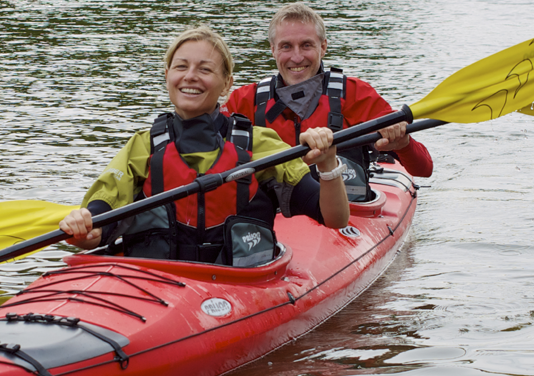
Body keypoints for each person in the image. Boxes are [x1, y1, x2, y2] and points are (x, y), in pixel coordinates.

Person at [59, 26, 349, 267]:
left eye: (205, 69)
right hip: (155, 283)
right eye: (181, 66)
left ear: (226, 84)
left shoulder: (259, 145)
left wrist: (327, 164)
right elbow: (97, 228)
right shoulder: (142, 146)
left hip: (241, 285)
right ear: (167, 75)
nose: (190, 76)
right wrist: (84, 226)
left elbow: (334, 218)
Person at [223, 2, 434, 194]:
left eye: (306, 45)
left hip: (344, 216)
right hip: (273, 215)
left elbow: (424, 168)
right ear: (273, 50)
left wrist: (403, 143)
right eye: (286, 46)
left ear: (323, 47)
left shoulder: (355, 93)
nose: (297, 57)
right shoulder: (244, 100)